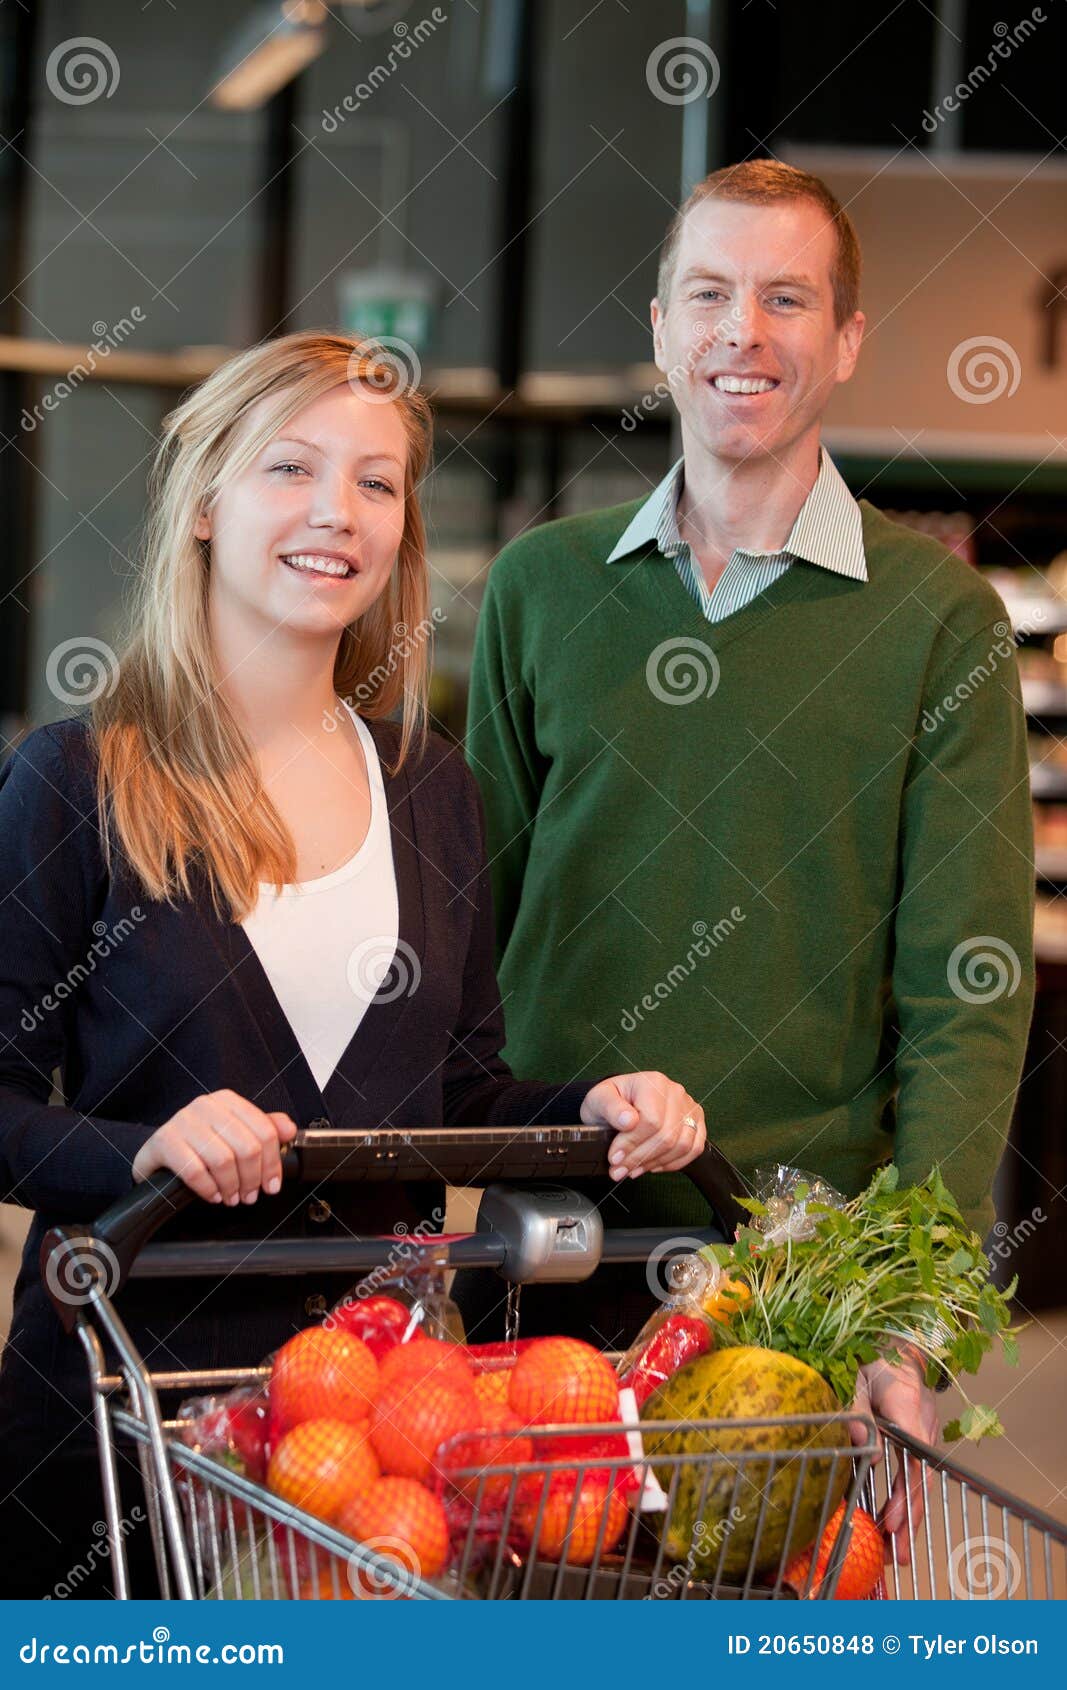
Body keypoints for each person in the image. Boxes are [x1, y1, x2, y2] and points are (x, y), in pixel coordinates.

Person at [0, 331, 709, 1598]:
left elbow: (458, 1099)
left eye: (377, 483)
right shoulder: (73, 781)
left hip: (374, 1450)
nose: (338, 513)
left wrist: (590, 1108)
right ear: (206, 503)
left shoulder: (432, 788)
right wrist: (144, 1149)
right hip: (122, 1437)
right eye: (292, 469)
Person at [459, 160, 1035, 1550]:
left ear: (843, 341)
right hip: (547, 1239)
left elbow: (965, 989)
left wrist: (913, 1316)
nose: (743, 332)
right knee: (524, 1632)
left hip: (793, 1271)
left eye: (786, 299)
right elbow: (465, 927)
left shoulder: (935, 622)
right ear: (659, 325)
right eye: (710, 294)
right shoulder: (540, 588)